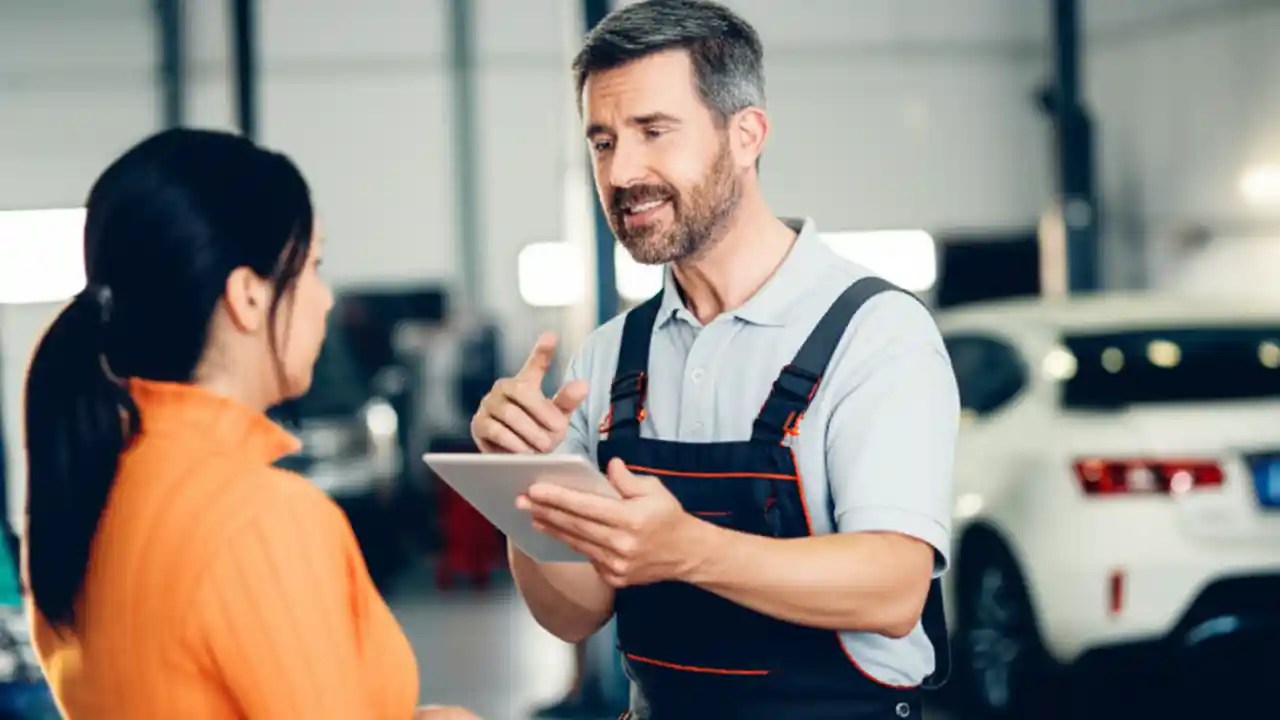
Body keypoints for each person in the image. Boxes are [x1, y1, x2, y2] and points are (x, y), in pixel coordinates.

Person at [470, 1, 959, 718]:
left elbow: (891, 589)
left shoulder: (875, 333)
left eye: (653, 132)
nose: (622, 171)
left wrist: (687, 549)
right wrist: (528, 486)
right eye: (602, 142)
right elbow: (573, 614)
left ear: (745, 135)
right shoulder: (609, 357)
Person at [21, 128, 477, 720]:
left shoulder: (87, 495)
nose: (326, 299)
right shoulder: (264, 518)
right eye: (312, 266)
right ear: (248, 297)